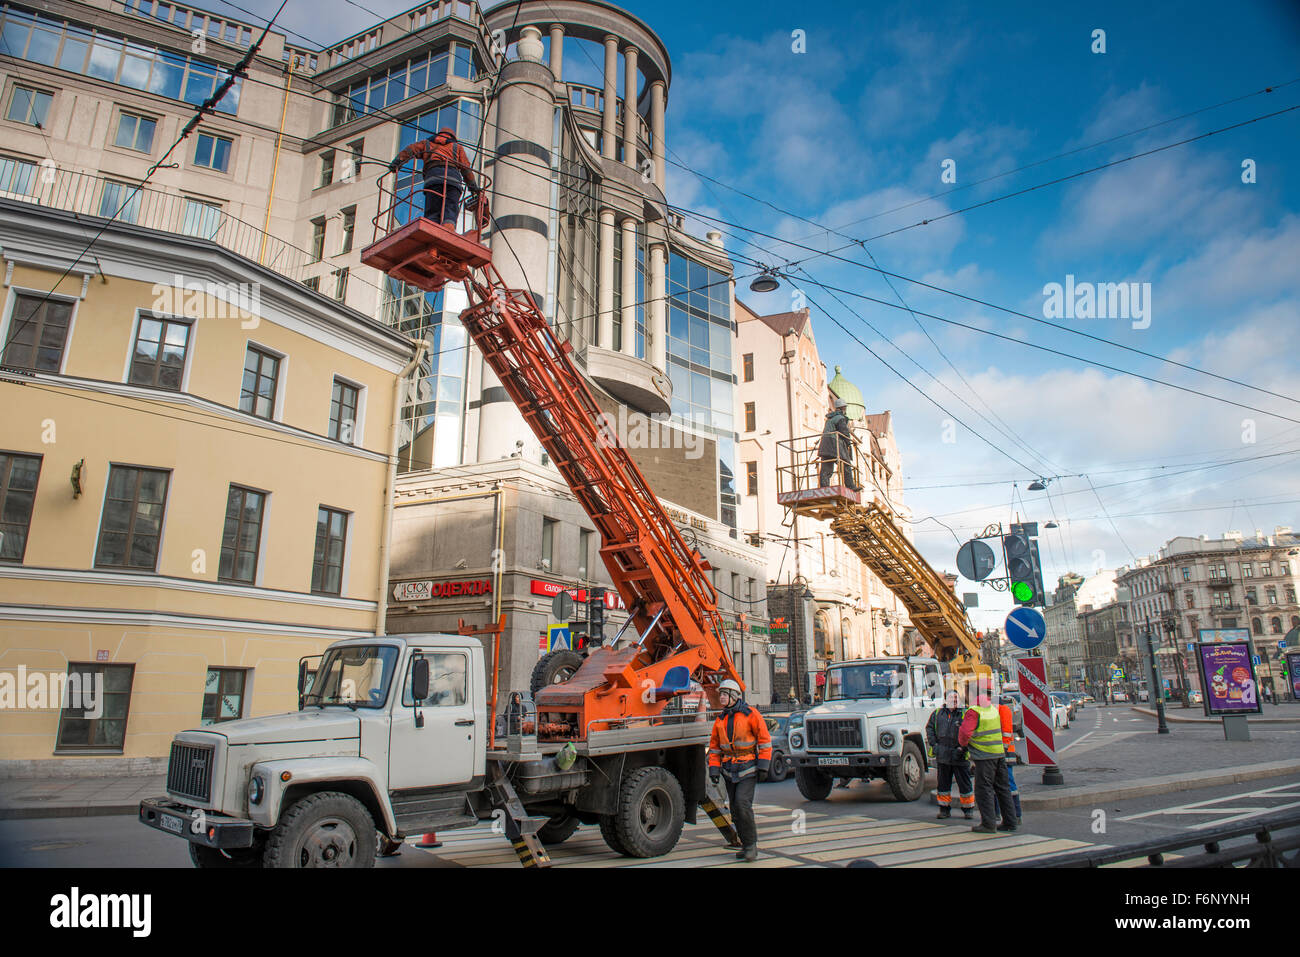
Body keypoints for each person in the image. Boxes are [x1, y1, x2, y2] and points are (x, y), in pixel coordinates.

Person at [708, 678, 772, 862]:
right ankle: (745, 845)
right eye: (720, 694)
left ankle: (752, 846)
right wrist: (714, 769)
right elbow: (714, 748)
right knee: (735, 810)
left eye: (724, 694)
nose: (721, 697)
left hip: (747, 768)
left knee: (743, 805)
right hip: (729, 770)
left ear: (733, 696)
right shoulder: (721, 719)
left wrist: (763, 766)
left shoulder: (751, 714)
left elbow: (765, 741)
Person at [958, 681, 1018, 834]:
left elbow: (965, 733)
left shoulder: (974, 711)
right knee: (1003, 789)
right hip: (998, 754)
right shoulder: (992, 709)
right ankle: (1010, 822)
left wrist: (963, 744)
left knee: (983, 791)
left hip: (984, 757)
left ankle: (988, 824)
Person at [389, 126, 479, 226]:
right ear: (452, 137)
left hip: (433, 178)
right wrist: (473, 186)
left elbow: (410, 150)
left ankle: (432, 226)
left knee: (433, 209)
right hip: (452, 180)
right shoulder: (457, 147)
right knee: (450, 207)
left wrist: (397, 162)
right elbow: (465, 168)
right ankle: (448, 228)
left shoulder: (426, 144)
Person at [926, 690, 974, 819]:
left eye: (956, 698)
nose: (954, 701)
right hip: (943, 756)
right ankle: (944, 809)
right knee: (943, 785)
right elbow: (929, 728)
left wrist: (962, 749)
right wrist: (934, 745)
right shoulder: (937, 714)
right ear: (945, 700)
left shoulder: (965, 713)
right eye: (951, 698)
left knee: (964, 784)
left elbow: (970, 732)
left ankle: (968, 809)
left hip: (960, 755)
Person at [816, 397, 861, 490]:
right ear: (843, 408)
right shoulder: (840, 418)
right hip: (834, 443)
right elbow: (844, 432)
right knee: (846, 463)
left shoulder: (829, 419)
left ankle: (824, 487)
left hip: (824, 444)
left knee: (826, 466)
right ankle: (850, 485)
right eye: (845, 408)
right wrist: (849, 443)